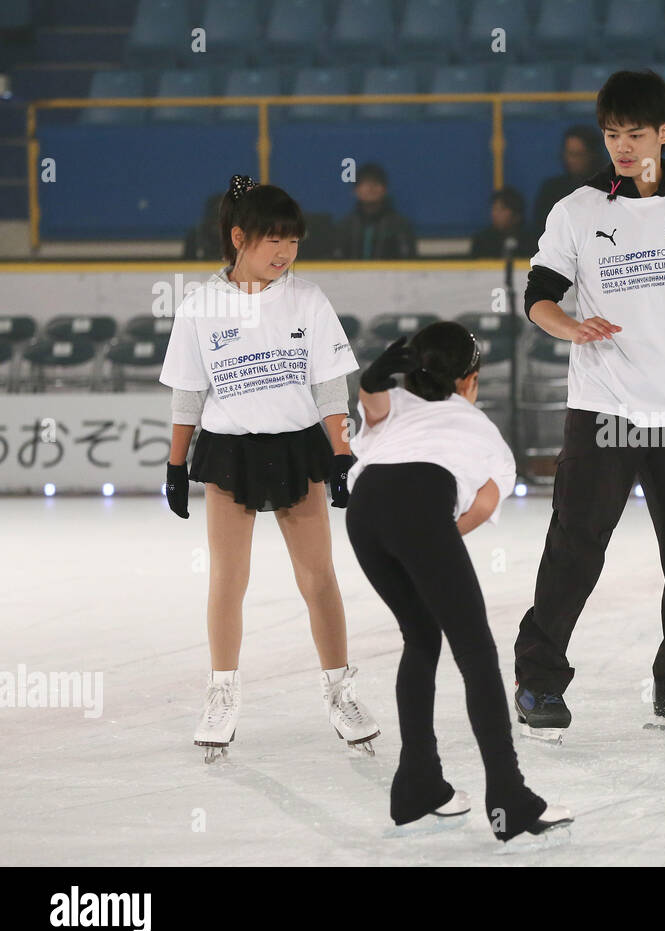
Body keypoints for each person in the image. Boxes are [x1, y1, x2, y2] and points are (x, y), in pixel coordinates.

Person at [513, 69, 665, 738]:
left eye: (635, 133)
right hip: (604, 411)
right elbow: (538, 296)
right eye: (611, 133)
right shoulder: (578, 212)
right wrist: (567, 325)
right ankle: (536, 681)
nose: (621, 144)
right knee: (577, 547)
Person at [160, 174, 380, 761]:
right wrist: (176, 465)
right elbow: (188, 394)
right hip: (229, 452)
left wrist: (340, 453)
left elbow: (331, 384)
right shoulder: (200, 306)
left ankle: (341, 690)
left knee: (319, 578)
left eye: (293, 242)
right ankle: (223, 692)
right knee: (228, 581)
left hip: (297, 448)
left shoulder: (308, 300)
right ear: (239, 237)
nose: (284, 253)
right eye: (272, 241)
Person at [345, 323, 571, 840]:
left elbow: (372, 403)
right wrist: (429, 538)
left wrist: (371, 378)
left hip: (364, 512)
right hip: (421, 501)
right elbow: (481, 506)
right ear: (471, 380)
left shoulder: (396, 402)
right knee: (475, 652)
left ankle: (418, 786)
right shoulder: (482, 432)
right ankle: (510, 800)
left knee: (420, 637)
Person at [334, 163, 416, 260]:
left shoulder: (399, 226)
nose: (370, 188)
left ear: (385, 190)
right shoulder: (345, 226)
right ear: (355, 190)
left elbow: (407, 259)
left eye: (376, 183)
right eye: (365, 183)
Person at [532, 124, 604, 233]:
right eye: (568, 154)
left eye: (578, 155)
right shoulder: (551, 189)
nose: (571, 160)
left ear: (593, 155)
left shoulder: (609, 187)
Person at [468, 187, 537, 258]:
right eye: (494, 209)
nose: (495, 213)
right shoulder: (482, 241)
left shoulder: (531, 241)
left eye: (502, 209)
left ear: (517, 214)